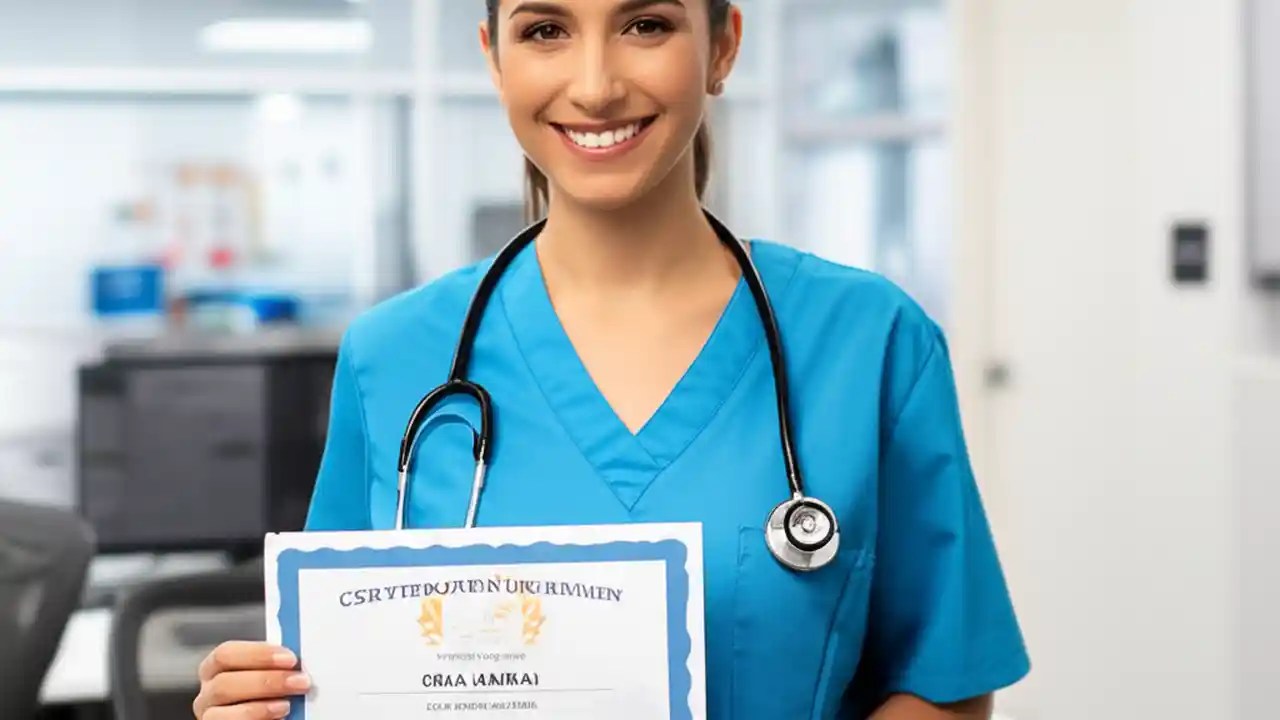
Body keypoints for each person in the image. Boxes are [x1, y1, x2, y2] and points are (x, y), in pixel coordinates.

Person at [191, 0, 1030, 718]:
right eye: (546, 30)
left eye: (646, 23)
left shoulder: (871, 341)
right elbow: (336, 676)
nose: (593, 85)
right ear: (494, 58)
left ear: (723, 45)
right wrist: (259, 703)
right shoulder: (393, 357)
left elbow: (946, 682)